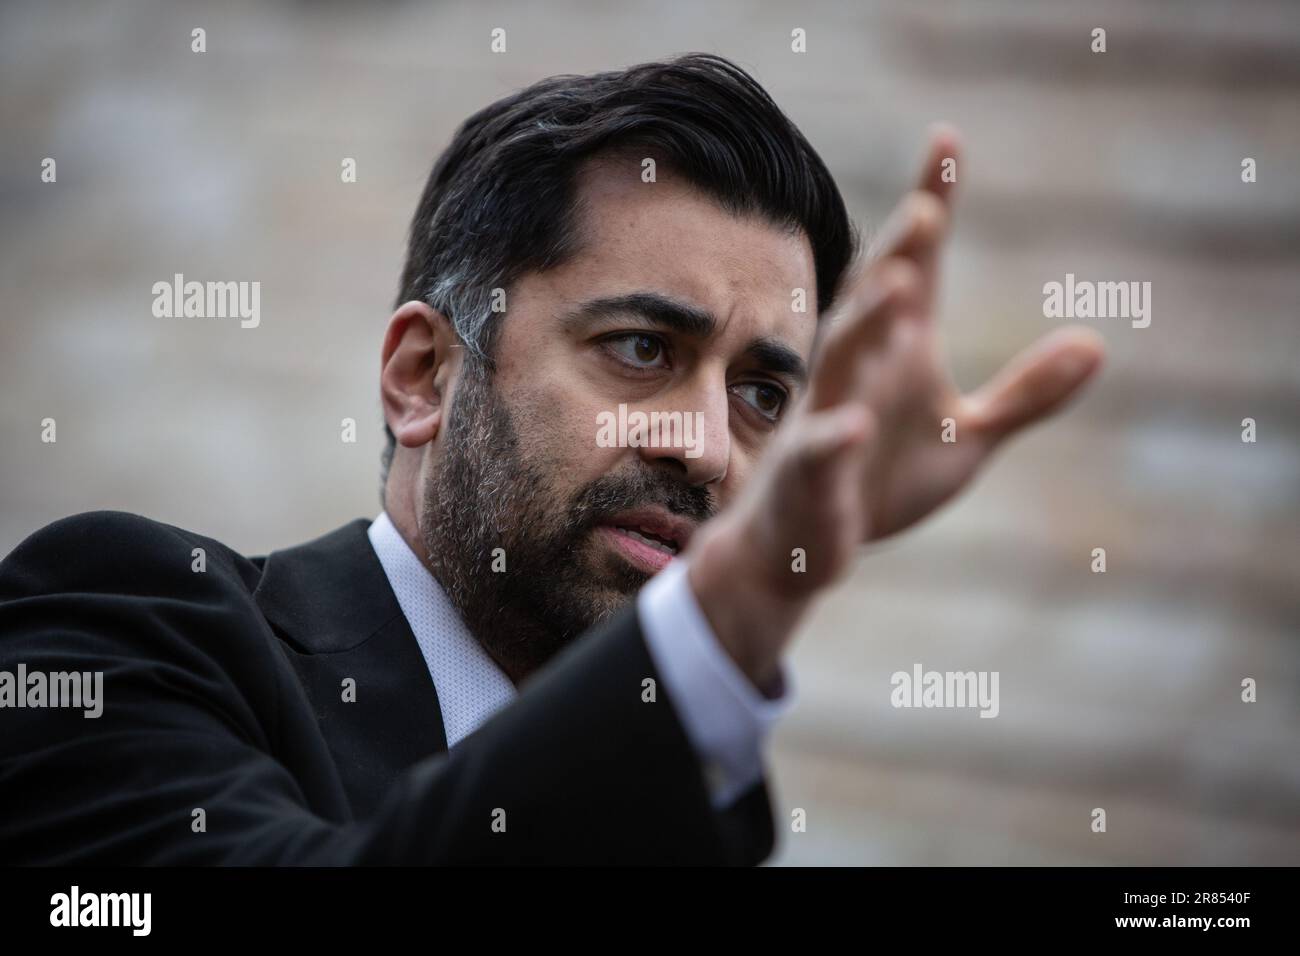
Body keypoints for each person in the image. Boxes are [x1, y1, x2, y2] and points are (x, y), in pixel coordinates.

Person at [0, 54, 1103, 864]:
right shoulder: (123, 625)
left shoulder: (704, 814)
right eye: (639, 348)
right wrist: (746, 597)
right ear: (425, 374)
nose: (709, 450)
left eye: (762, 392)